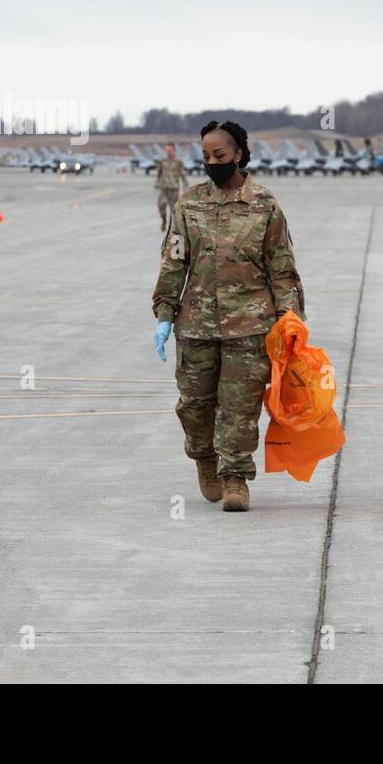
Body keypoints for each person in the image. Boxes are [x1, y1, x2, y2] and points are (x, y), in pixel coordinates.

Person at [152, 121, 304, 513]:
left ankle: (236, 477)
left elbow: (282, 268)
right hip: (196, 324)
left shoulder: (264, 205)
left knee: (239, 407)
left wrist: (291, 318)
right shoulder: (188, 204)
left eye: (218, 155)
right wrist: (165, 312)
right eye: (204, 156)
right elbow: (173, 263)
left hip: (251, 325)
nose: (211, 162)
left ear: (238, 153)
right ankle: (205, 459)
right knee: (195, 405)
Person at [154, 143, 189, 233]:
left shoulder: (179, 162)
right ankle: (163, 219)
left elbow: (183, 176)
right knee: (161, 205)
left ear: (174, 150)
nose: (168, 153)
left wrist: (186, 188)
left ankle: (171, 227)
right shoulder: (162, 161)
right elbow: (159, 173)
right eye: (167, 151)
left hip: (174, 189)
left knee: (173, 210)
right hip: (164, 188)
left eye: (170, 151)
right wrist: (157, 182)